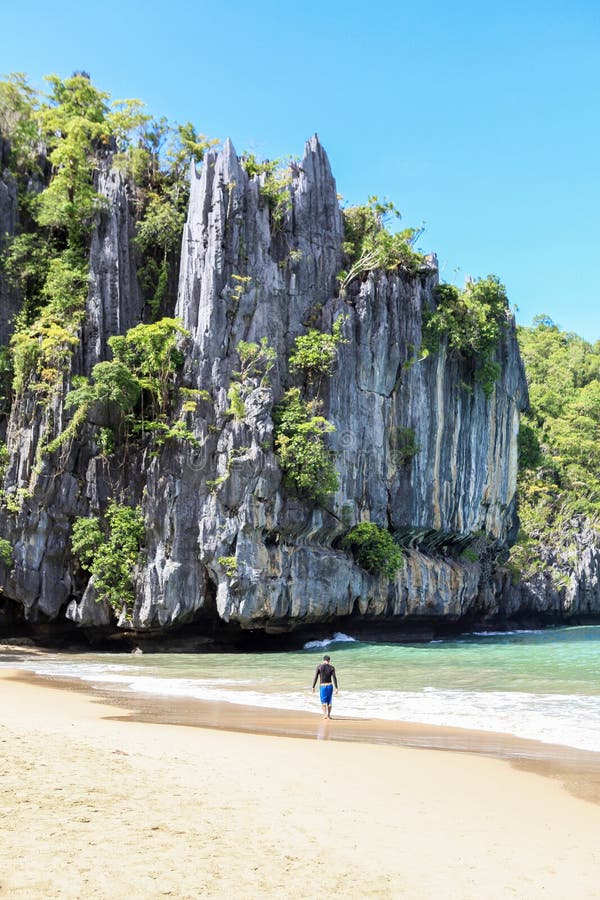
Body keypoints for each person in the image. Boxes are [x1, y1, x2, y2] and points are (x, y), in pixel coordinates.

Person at [312, 654, 339, 719]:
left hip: (323, 686)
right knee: (329, 702)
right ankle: (329, 715)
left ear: (323, 660)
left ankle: (325, 715)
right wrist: (336, 687)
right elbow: (334, 678)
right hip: (330, 686)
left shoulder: (319, 667)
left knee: (323, 702)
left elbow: (316, 677)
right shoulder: (332, 667)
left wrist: (313, 686)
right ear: (329, 660)